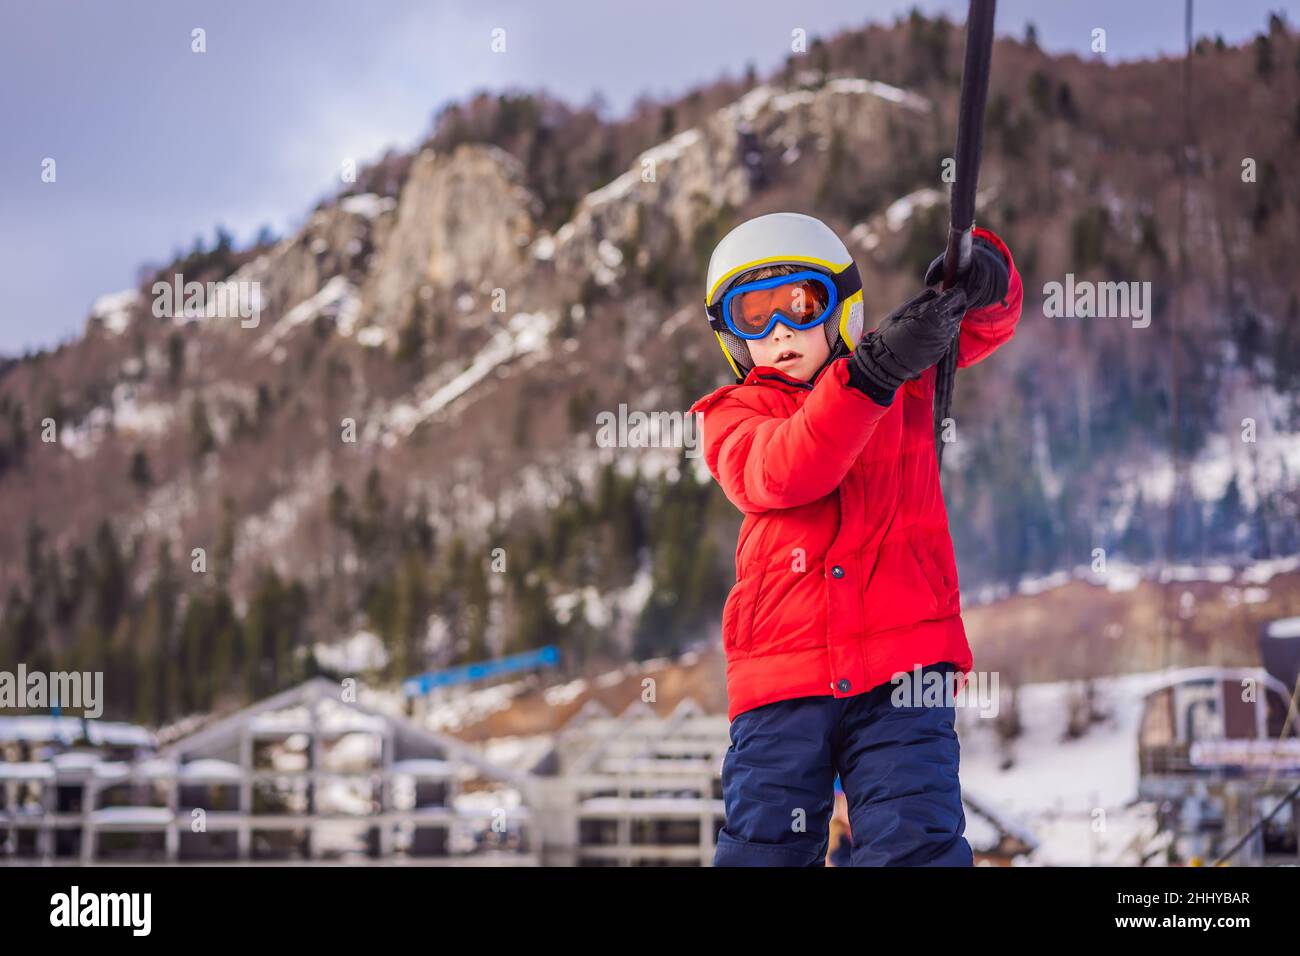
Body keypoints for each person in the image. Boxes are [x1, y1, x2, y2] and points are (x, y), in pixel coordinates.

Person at [688, 212, 1021, 866]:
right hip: (783, 679)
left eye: (799, 304)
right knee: (763, 848)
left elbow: (988, 324)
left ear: (840, 307)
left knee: (914, 843)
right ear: (733, 337)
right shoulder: (732, 417)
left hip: (904, 671)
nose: (779, 330)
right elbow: (787, 471)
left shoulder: (909, 383)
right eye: (753, 315)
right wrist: (867, 375)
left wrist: (983, 276)